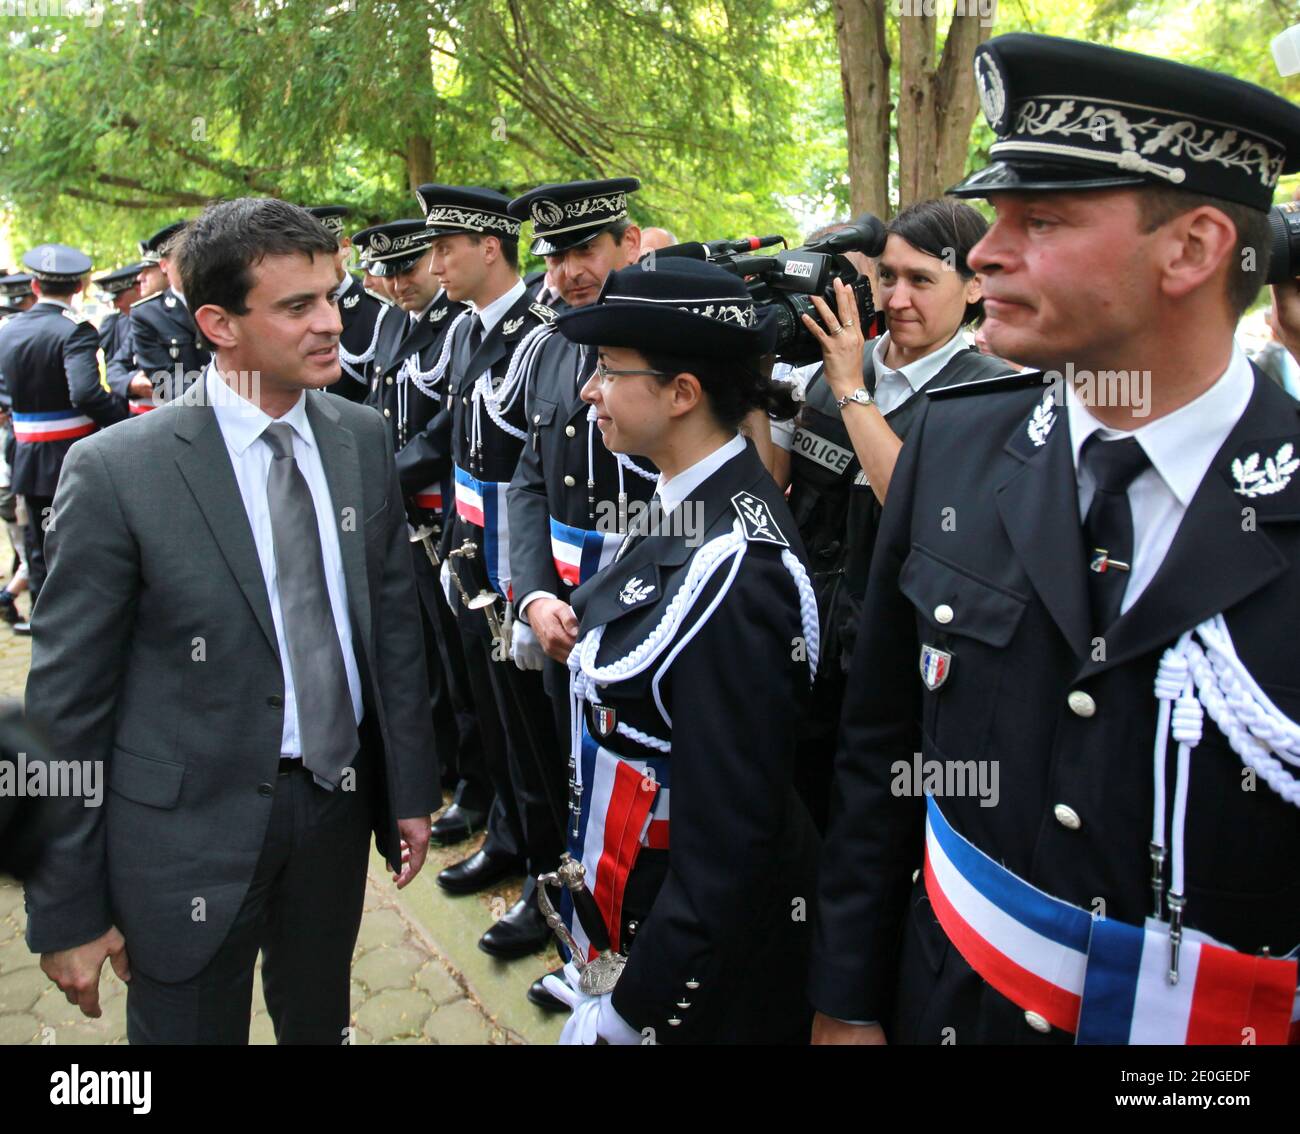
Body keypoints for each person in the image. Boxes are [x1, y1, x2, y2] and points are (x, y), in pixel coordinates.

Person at [811, 33, 1300, 1046]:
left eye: (1040, 220)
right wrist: (847, 1001)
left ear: (1193, 248)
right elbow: (885, 752)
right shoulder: (955, 443)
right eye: (995, 217)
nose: (986, 254)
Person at [22, 198, 438, 1044]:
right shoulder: (119, 472)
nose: (332, 323)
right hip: (182, 839)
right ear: (218, 324)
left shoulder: (360, 437)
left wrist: (410, 788)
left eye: (332, 296)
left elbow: (390, 624)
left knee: (318, 1022)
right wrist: (65, 907)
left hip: (333, 812)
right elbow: (65, 708)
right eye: (298, 306)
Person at [540, 258, 820, 1044]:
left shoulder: (739, 567)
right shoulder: (684, 497)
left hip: (700, 981)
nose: (588, 391)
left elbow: (728, 845)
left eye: (608, 370)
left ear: (682, 393)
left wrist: (634, 1012)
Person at [773, 201, 1010, 830]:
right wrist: (755, 393)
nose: (898, 299)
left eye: (922, 280)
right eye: (888, 277)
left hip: (895, 668)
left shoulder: (988, 391)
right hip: (800, 644)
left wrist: (852, 390)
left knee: (865, 829)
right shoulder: (824, 370)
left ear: (975, 287)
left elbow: (916, 505)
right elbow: (773, 495)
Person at [503, 177, 656, 1009]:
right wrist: (531, 594)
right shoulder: (553, 348)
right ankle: (588, 948)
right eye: (555, 257)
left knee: (639, 807)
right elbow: (529, 479)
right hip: (562, 614)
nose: (567, 273)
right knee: (577, 790)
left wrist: (598, 604)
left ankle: (641, 976)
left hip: (647, 619)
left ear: (628, 242)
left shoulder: (671, 335)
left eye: (584, 251)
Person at [415, 184, 562, 961]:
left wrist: (531, 586)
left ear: (490, 247)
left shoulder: (537, 332)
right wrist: (452, 546)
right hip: (473, 557)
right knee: (499, 728)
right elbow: (457, 451)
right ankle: (508, 837)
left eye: (446, 249)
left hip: (518, 570)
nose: (434, 264)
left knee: (535, 743)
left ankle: (549, 881)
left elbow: (538, 471)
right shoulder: (470, 328)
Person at [353, 211, 496, 852]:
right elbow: (379, 405)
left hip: (443, 517)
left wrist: (384, 473)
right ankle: (442, 764)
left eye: (408, 267)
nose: (399, 282)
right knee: (425, 657)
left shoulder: (460, 325)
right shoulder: (393, 323)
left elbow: (445, 429)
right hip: (403, 517)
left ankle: (476, 784)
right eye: (387, 272)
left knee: (462, 665)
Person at [0, 244, 128, 609]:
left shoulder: (8, 330)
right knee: (81, 547)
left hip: (26, 454)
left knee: (39, 547)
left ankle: (43, 624)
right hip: (71, 455)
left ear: (35, 286)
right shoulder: (74, 330)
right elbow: (86, 392)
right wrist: (122, 420)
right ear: (79, 287)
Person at [106, 220, 210, 411]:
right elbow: (165, 380)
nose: (140, 278)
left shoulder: (225, 300)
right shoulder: (146, 315)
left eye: (147, 271)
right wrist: (130, 382)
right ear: (164, 266)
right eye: (184, 258)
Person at [305, 205, 384, 403]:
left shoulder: (377, 311)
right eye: (306, 254)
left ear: (346, 248)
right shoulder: (289, 310)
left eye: (325, 251)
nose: (316, 262)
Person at [92, 262, 144, 368]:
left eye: (118, 299)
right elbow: (114, 367)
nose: (116, 306)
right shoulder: (114, 324)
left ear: (138, 289)